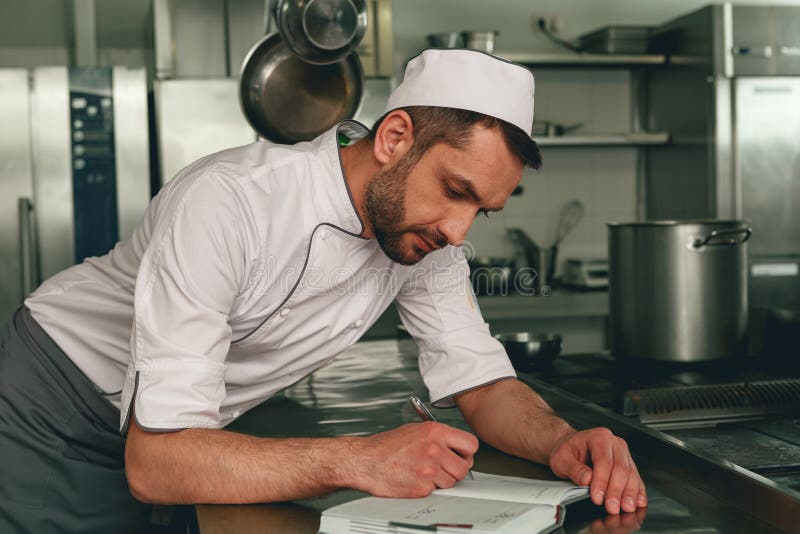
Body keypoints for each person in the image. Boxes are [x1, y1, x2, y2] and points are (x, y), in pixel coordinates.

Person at [0, 49, 646, 533]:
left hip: (185, 433)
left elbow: (481, 383)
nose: (459, 230)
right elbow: (155, 465)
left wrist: (560, 440)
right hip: (58, 399)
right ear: (394, 139)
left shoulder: (424, 240)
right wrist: (359, 461)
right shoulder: (229, 204)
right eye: (456, 191)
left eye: (483, 211)